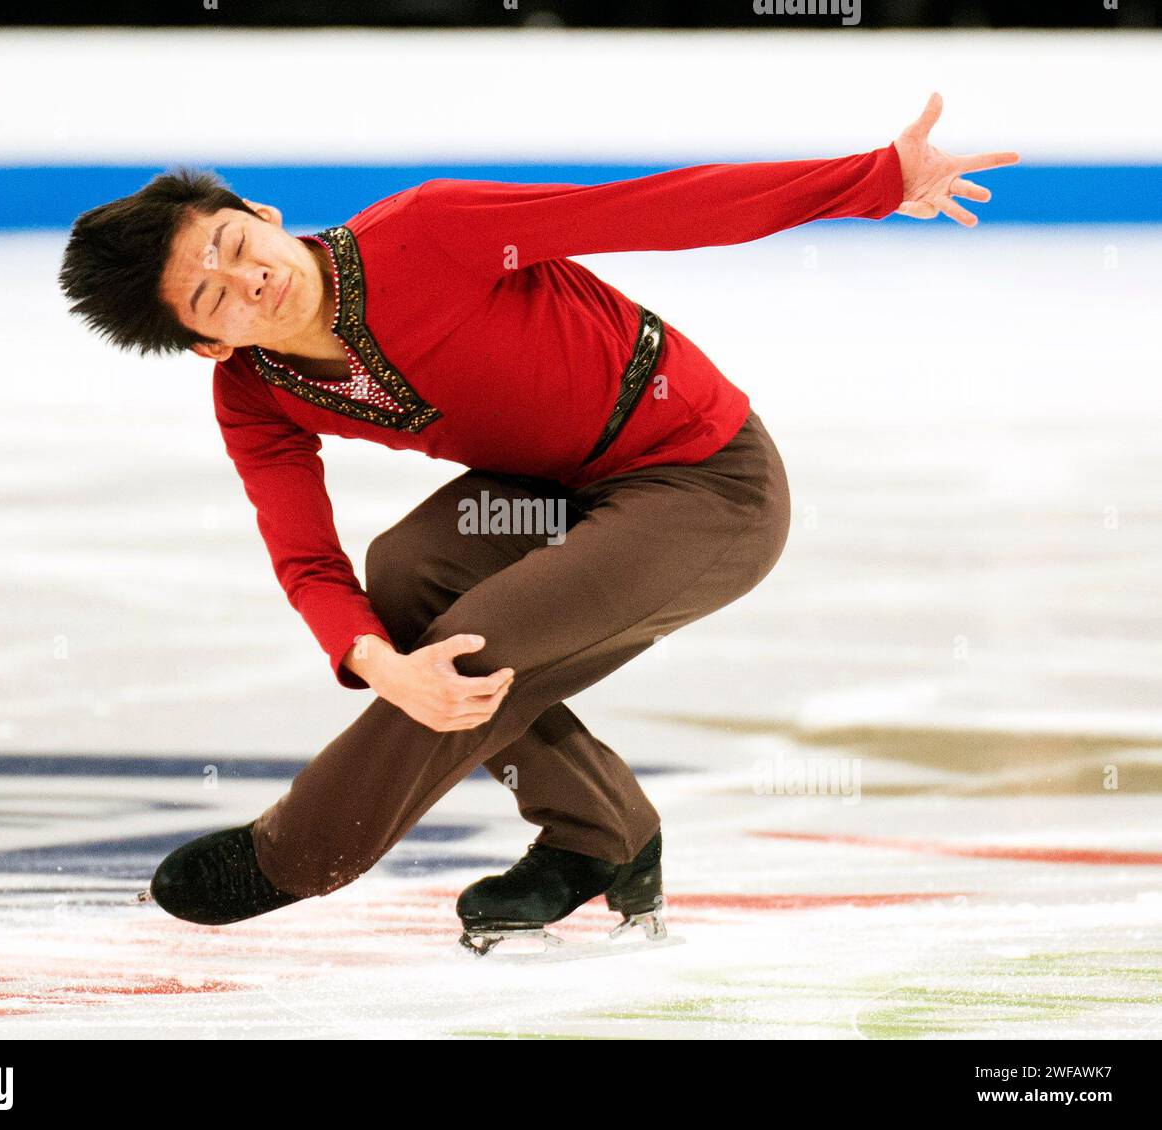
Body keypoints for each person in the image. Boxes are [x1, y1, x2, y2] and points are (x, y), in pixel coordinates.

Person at [58, 93, 1018, 944]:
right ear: (206, 344)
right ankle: (606, 835)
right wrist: (381, 665)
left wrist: (871, 180)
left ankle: (298, 853)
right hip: (563, 492)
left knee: (479, 650)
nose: (246, 278)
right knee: (401, 583)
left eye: (232, 245)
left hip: (706, 483)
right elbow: (306, 558)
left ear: (259, 215)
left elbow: (654, 211)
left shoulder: (425, 233)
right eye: (210, 294)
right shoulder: (255, 394)